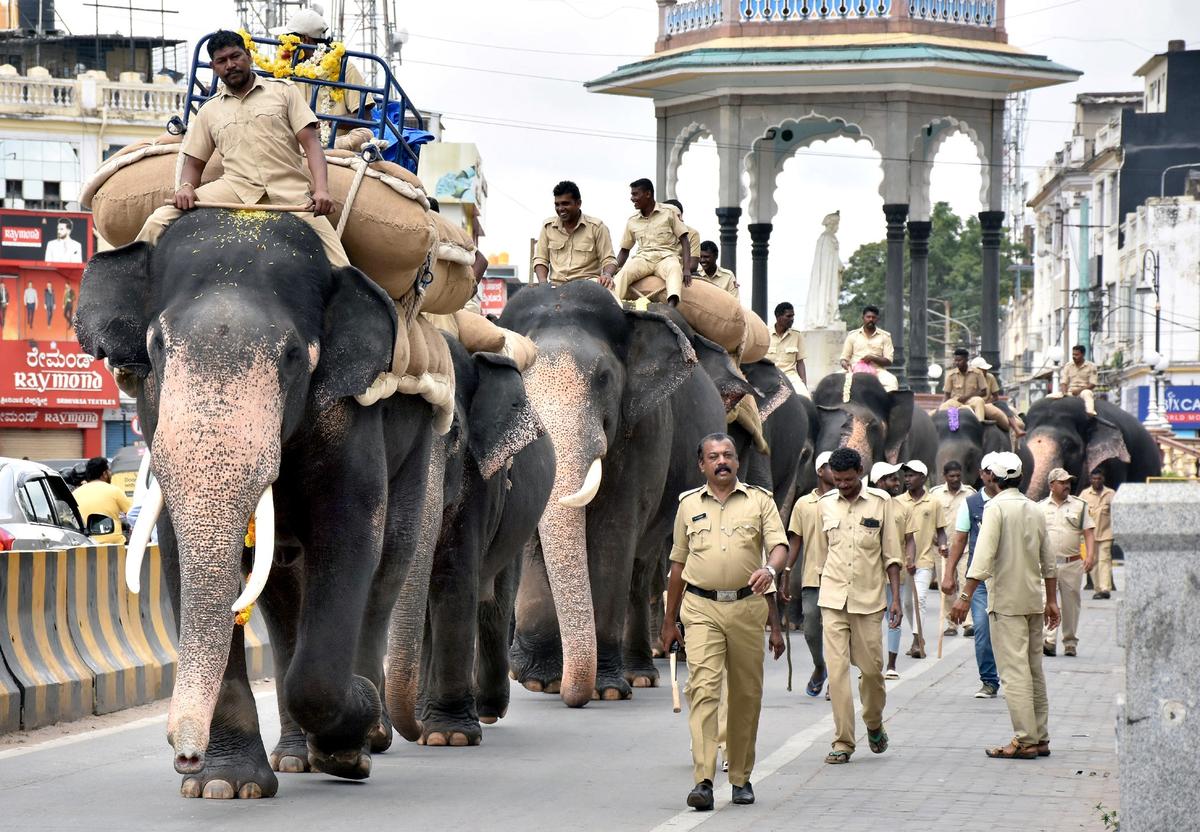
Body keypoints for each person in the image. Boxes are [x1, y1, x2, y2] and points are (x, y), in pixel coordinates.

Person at [135, 30, 350, 269]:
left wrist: (321, 190)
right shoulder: (209, 111)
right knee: (158, 221)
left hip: (291, 194)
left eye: (235, 56)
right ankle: (129, 278)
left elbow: (311, 144)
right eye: (221, 61)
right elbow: (194, 164)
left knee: (341, 265)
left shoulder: (284, 91)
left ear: (248, 56)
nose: (230, 65)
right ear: (213, 67)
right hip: (235, 190)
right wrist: (186, 188)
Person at [661, 433, 786, 812]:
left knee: (746, 694)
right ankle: (703, 779)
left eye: (728, 455)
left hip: (747, 607)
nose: (722, 461)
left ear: (737, 461)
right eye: (713, 456)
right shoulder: (688, 505)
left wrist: (769, 570)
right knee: (703, 688)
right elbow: (678, 564)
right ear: (702, 465)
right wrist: (668, 621)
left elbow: (779, 546)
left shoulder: (760, 501)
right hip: (701, 609)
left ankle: (741, 777)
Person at [950, 452, 1060, 759]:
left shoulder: (994, 508)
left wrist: (964, 597)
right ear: (1021, 478)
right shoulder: (1035, 508)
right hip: (1033, 600)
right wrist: (1052, 601)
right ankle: (1040, 736)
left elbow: (982, 558)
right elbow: (1049, 561)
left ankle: (1025, 740)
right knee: (1034, 670)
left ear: (993, 478)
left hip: (1007, 603)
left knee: (1013, 673)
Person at [818, 447, 902, 764]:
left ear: (860, 474)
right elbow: (821, 554)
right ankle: (843, 741)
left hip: (868, 602)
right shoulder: (825, 505)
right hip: (832, 599)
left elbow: (891, 556)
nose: (842, 485)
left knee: (872, 672)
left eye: (848, 480)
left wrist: (895, 600)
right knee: (837, 674)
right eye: (837, 480)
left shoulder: (881, 502)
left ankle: (874, 722)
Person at [271, 7, 375, 150]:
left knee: (364, 135)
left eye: (288, 39)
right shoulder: (287, 69)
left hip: (336, 144)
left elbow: (365, 117)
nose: (285, 46)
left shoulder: (345, 68)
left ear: (304, 39)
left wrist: (325, 123)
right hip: (294, 144)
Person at [942, 453, 1001, 698]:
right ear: (982, 474)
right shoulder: (971, 503)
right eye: (989, 472)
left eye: (998, 472)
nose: (993, 477)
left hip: (1009, 578)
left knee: (1011, 634)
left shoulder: (1017, 503)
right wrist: (948, 574)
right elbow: (959, 540)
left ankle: (1014, 678)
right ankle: (989, 680)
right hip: (980, 580)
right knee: (983, 631)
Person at [782, 450, 834, 699]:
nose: (835, 471)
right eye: (830, 466)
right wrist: (786, 573)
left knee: (837, 633)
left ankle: (836, 681)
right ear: (820, 471)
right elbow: (795, 541)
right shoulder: (804, 504)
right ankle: (820, 666)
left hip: (840, 579)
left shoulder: (845, 501)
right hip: (813, 577)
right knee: (811, 629)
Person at [612, 178, 693, 308]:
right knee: (624, 272)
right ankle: (612, 305)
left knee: (674, 268)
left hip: (666, 257)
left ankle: (671, 307)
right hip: (643, 259)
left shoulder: (669, 212)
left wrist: (687, 269)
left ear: (648, 194)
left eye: (635, 194)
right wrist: (611, 271)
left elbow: (684, 240)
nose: (632, 198)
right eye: (632, 194)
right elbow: (624, 250)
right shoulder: (632, 220)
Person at [1040, 468, 1095, 657]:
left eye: (1068, 482)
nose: (1067, 486)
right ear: (1051, 485)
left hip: (1072, 563)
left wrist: (1090, 555)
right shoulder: (1040, 508)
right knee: (1046, 601)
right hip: (1047, 564)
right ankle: (1049, 640)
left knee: (1071, 604)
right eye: (1062, 482)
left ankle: (1070, 641)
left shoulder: (1080, 506)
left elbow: (1089, 532)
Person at [896, 460, 947, 660]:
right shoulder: (898, 501)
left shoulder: (934, 502)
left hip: (924, 560)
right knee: (908, 604)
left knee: (921, 599)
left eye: (912, 475)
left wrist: (943, 545)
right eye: (906, 475)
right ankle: (918, 636)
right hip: (902, 561)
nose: (907, 479)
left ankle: (917, 641)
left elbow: (940, 531)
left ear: (923, 478)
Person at [532, 181, 618, 287]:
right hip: (556, 285)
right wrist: (543, 284)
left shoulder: (596, 227)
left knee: (612, 293)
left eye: (565, 203)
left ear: (578, 203)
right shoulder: (548, 227)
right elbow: (541, 259)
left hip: (588, 285)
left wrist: (606, 275)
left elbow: (609, 260)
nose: (560, 209)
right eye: (557, 204)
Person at [930, 461, 976, 637]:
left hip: (964, 549)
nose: (955, 479)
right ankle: (951, 623)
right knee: (947, 587)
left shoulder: (970, 494)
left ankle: (968, 622)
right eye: (951, 476)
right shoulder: (935, 495)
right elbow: (928, 519)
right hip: (942, 549)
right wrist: (934, 539)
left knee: (965, 583)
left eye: (958, 475)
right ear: (944, 476)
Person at [869, 460, 905, 679]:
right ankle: (870, 665)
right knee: (870, 623)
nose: (897, 482)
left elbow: (909, 537)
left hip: (895, 574)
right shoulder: (867, 506)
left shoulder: (902, 507)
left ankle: (891, 664)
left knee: (894, 617)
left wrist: (910, 559)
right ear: (880, 482)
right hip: (871, 576)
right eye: (892, 479)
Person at [72, 457, 133, 545]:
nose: (110, 473)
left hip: (84, 544)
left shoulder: (75, 493)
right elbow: (132, 515)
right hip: (114, 545)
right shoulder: (114, 490)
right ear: (104, 474)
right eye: (109, 471)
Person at [839, 305, 897, 392]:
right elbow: (844, 358)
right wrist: (844, 363)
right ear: (863, 318)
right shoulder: (852, 335)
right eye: (868, 317)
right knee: (831, 381)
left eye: (873, 317)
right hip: (854, 370)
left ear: (877, 319)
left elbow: (888, 361)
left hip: (877, 370)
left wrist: (872, 358)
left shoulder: (885, 336)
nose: (871, 319)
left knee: (892, 382)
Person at [1080, 468, 1115, 600]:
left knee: (1104, 560)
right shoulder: (1085, 495)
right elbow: (1079, 512)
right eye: (1094, 479)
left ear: (1103, 479)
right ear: (1090, 480)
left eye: (1099, 478)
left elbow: (1116, 513)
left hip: (1106, 534)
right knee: (1092, 562)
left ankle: (1105, 589)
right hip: (1090, 535)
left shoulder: (1110, 494)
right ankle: (1098, 589)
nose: (1096, 481)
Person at [765, 302, 809, 395]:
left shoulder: (797, 335)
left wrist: (804, 385)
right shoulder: (765, 334)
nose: (792, 319)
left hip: (791, 378)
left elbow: (800, 363)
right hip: (769, 377)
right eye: (788, 316)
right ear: (778, 317)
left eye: (793, 316)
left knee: (805, 397)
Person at [939, 348, 988, 422]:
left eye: (959, 360)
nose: (957, 363)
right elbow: (947, 395)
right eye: (955, 360)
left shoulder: (977, 373)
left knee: (979, 400)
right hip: (956, 401)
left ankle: (980, 423)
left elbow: (984, 392)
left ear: (966, 359)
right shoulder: (951, 374)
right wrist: (942, 405)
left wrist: (967, 397)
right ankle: (952, 425)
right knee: (944, 406)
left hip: (971, 400)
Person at [1047, 345, 1098, 416]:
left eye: (1076, 355)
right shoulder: (1068, 365)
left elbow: (1093, 384)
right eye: (1073, 354)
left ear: (1083, 354)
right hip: (1070, 392)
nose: (1074, 356)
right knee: (1049, 396)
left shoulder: (1091, 366)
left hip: (1084, 391)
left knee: (1087, 394)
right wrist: (1064, 393)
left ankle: (1090, 413)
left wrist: (1078, 391)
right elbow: (1064, 382)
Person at [662, 199, 701, 273]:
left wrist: (674, 273)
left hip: (682, 273)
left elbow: (693, 265)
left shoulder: (692, 233)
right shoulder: (655, 232)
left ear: (680, 216)